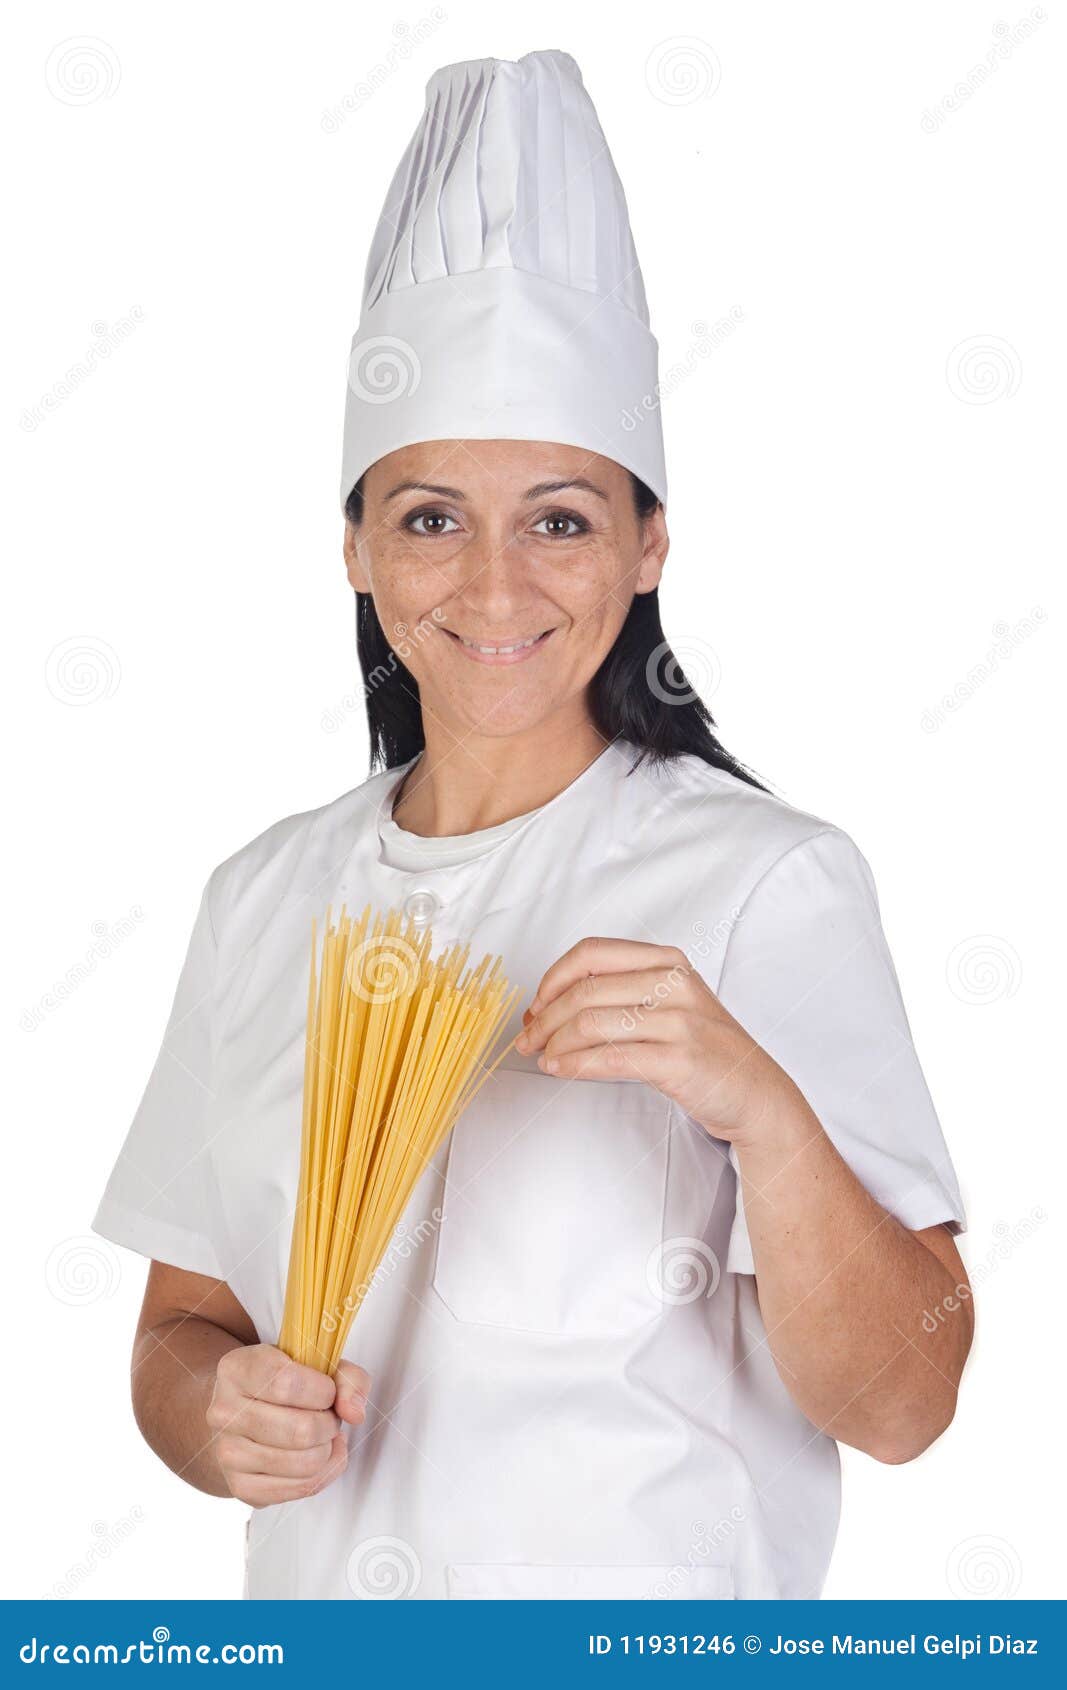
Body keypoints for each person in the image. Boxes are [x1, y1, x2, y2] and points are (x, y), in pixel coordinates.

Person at [92, 48, 971, 1601]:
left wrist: (760, 1106)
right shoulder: (261, 897)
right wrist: (210, 1413)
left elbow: (906, 1404)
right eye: (431, 516)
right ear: (356, 548)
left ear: (648, 546)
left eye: (560, 517)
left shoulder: (767, 884)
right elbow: (181, 1335)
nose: (495, 589)